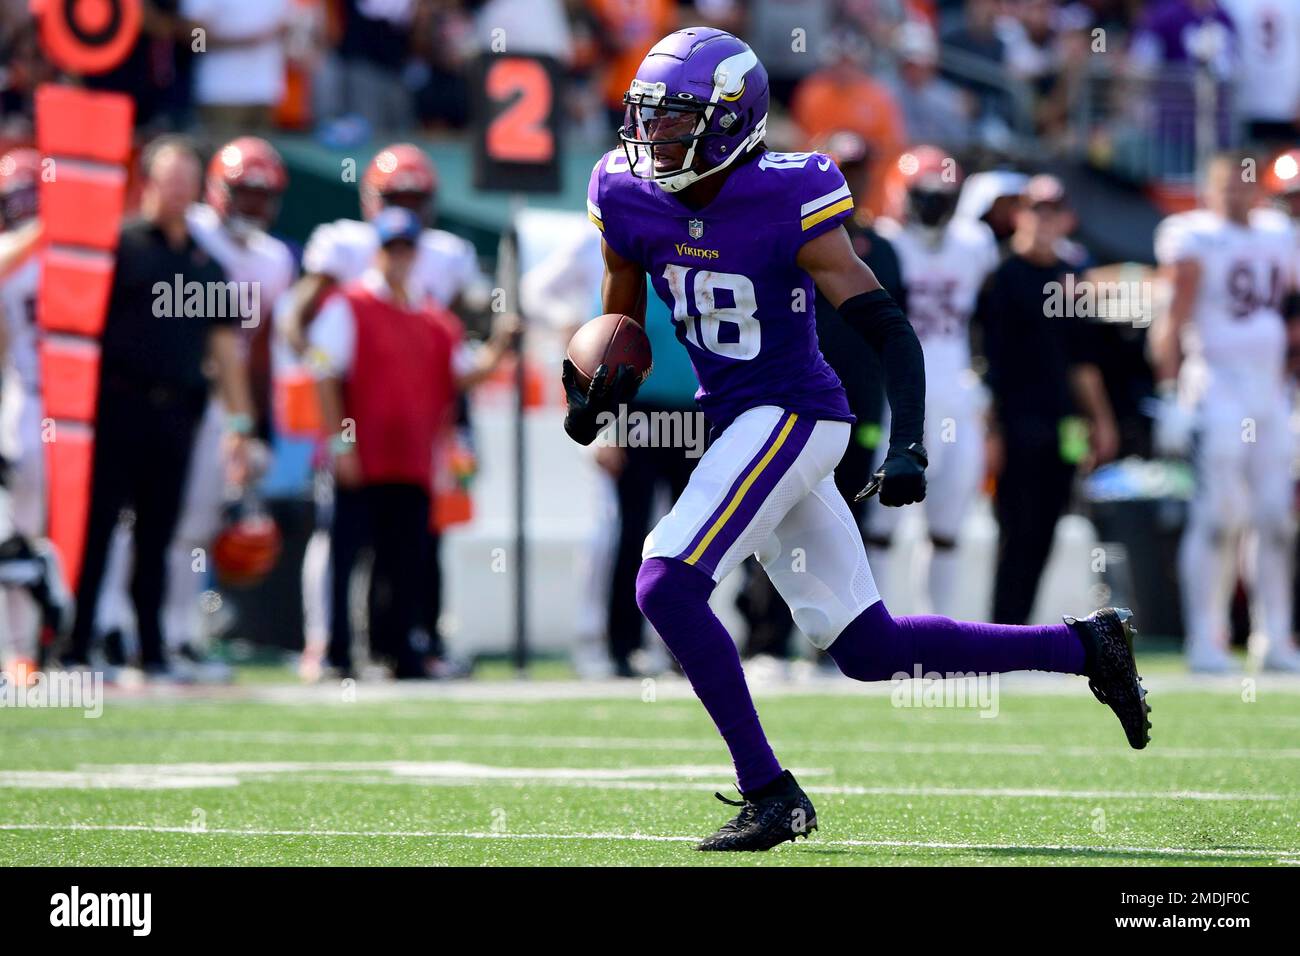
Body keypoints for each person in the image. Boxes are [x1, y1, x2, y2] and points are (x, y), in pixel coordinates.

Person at [568, 28, 1150, 853]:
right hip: (736, 420)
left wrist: (905, 443)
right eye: (649, 118)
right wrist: (597, 388)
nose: (653, 138)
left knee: (664, 583)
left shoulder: (788, 194)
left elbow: (889, 329)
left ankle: (771, 792)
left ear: (734, 122)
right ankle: (1088, 644)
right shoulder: (625, 192)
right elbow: (621, 316)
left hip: (798, 413)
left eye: (677, 120)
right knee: (869, 649)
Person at [63, 136, 256, 675]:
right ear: (146, 180)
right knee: (97, 529)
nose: (178, 190)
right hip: (115, 408)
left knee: (160, 533)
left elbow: (226, 352)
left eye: (188, 179)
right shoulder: (117, 246)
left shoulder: (206, 262)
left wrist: (241, 423)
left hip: (178, 413)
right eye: (170, 178)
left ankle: (151, 649)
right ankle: (77, 647)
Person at [306, 206, 510, 679]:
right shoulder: (349, 304)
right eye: (391, 248)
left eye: (406, 249)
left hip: (413, 459)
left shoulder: (434, 320)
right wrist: (341, 446)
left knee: (405, 560)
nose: (399, 258)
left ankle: (397, 650)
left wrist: (500, 344)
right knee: (345, 556)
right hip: (363, 455)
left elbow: (465, 373)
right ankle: (337, 651)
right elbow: (323, 372)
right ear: (377, 253)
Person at [1151, 152, 1300, 672]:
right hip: (1216, 386)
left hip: (1269, 392)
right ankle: (1205, 637)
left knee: (1277, 518)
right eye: (1227, 186)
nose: (1237, 195)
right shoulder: (1195, 235)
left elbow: (1291, 314)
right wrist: (1169, 393)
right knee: (1218, 517)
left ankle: (1275, 637)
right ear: (1210, 190)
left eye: (1246, 186)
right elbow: (1173, 317)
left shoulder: (1279, 233)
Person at [976, 175, 1118, 628]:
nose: (1043, 220)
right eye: (1035, 209)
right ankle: (1003, 630)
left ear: (1066, 219)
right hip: (1015, 419)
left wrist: (1101, 420)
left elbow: (1083, 362)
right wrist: (990, 429)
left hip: (1061, 423)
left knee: (1047, 528)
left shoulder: (1069, 279)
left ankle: (1024, 628)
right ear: (1020, 216)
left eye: (1052, 211)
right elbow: (983, 360)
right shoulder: (1000, 275)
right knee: (1013, 529)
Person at [868, 148, 1000, 617]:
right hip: (898, 397)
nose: (933, 205)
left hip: (957, 396)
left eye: (942, 195)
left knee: (948, 528)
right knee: (879, 523)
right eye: (924, 195)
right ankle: (871, 631)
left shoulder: (974, 243)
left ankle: (937, 629)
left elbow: (990, 315)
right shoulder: (884, 243)